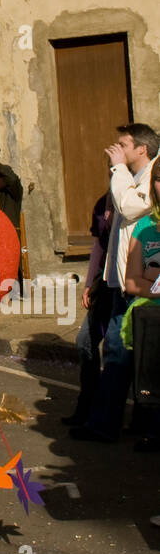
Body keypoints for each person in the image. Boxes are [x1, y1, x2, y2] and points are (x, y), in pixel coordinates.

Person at [72, 122, 159, 443]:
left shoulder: (150, 176)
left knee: (123, 355)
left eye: (123, 145)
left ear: (141, 149)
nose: (116, 151)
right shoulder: (132, 177)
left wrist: (118, 169)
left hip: (142, 284)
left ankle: (106, 425)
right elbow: (109, 240)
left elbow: (131, 206)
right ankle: (131, 423)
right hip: (122, 282)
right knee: (126, 354)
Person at [63, 190, 115, 427]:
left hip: (129, 286)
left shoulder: (138, 197)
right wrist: (88, 284)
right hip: (104, 284)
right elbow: (99, 247)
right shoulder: (103, 201)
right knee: (85, 340)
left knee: (122, 352)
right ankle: (87, 406)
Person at [122, 154, 160, 452]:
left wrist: (151, 280)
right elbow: (132, 282)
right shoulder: (144, 225)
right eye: (158, 179)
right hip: (151, 320)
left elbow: (142, 279)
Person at [0, 160, 24, 287]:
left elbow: (12, 178)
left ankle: (15, 291)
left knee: (11, 265)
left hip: (10, 235)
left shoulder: (14, 192)